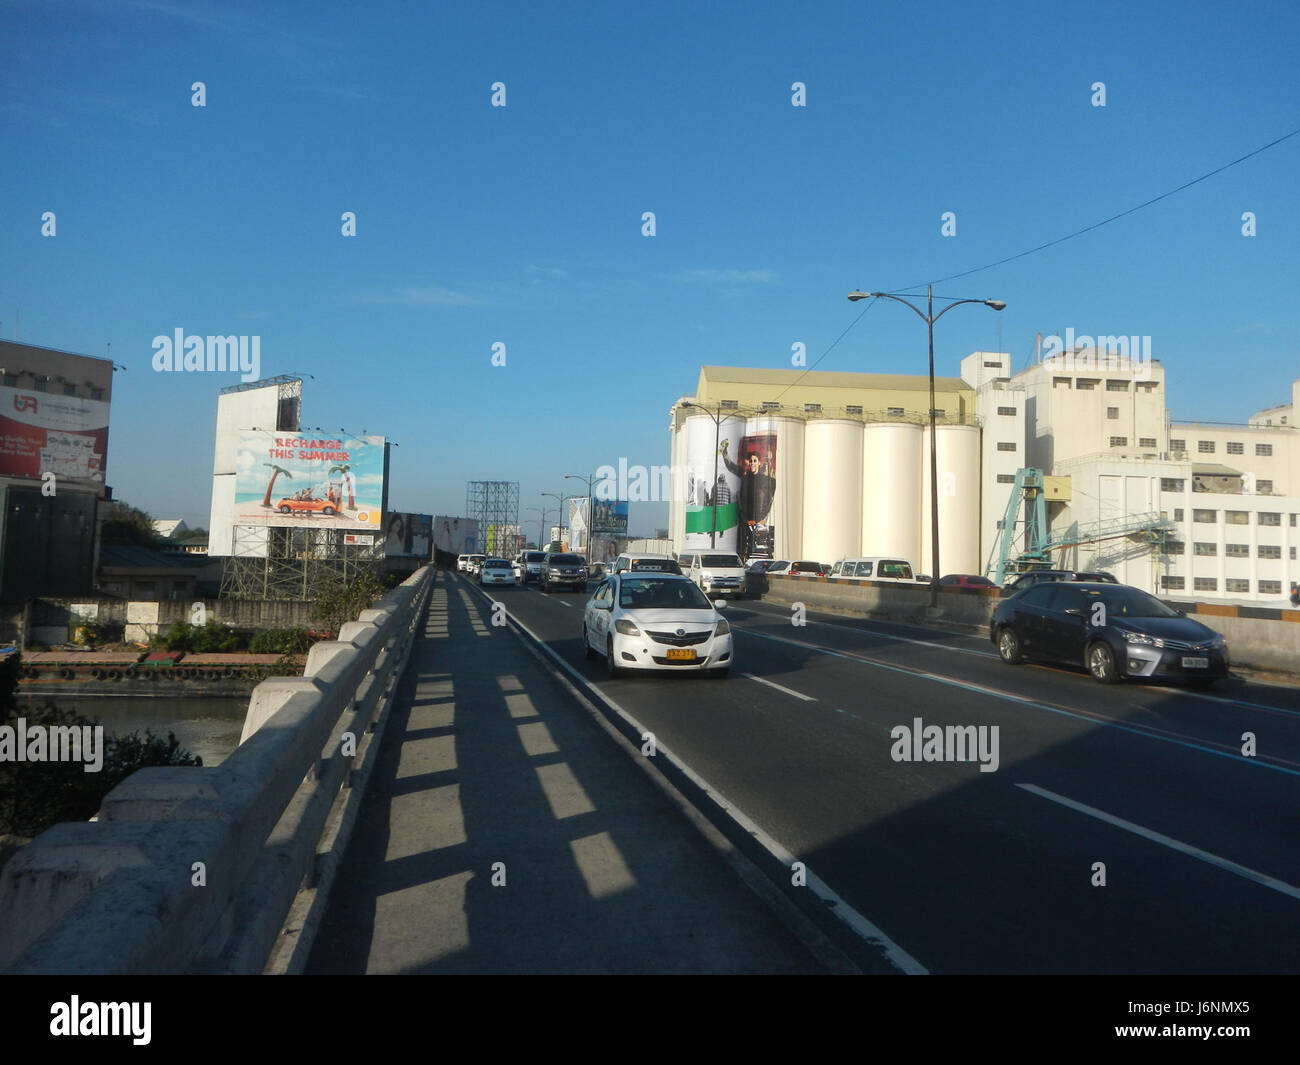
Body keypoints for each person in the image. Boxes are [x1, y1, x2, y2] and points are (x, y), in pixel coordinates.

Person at [720, 440, 775, 561]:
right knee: (745, 545)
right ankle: (744, 557)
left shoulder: (767, 480)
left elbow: (771, 500)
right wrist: (725, 454)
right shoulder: (745, 477)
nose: (752, 463)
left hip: (760, 522)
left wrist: (763, 519)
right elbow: (731, 467)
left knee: (760, 548)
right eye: (751, 461)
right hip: (746, 521)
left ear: (759, 463)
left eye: (755, 461)